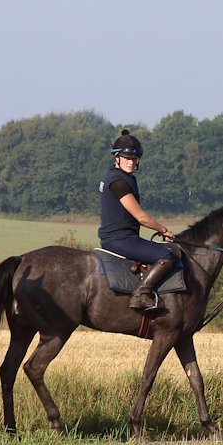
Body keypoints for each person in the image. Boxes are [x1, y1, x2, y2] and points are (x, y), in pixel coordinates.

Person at [97, 130, 177, 311]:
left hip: (123, 237)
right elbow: (140, 217)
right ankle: (141, 294)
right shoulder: (118, 182)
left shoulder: (118, 176)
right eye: (127, 158)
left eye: (134, 158)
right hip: (120, 239)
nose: (131, 162)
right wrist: (163, 229)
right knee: (166, 256)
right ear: (116, 157)